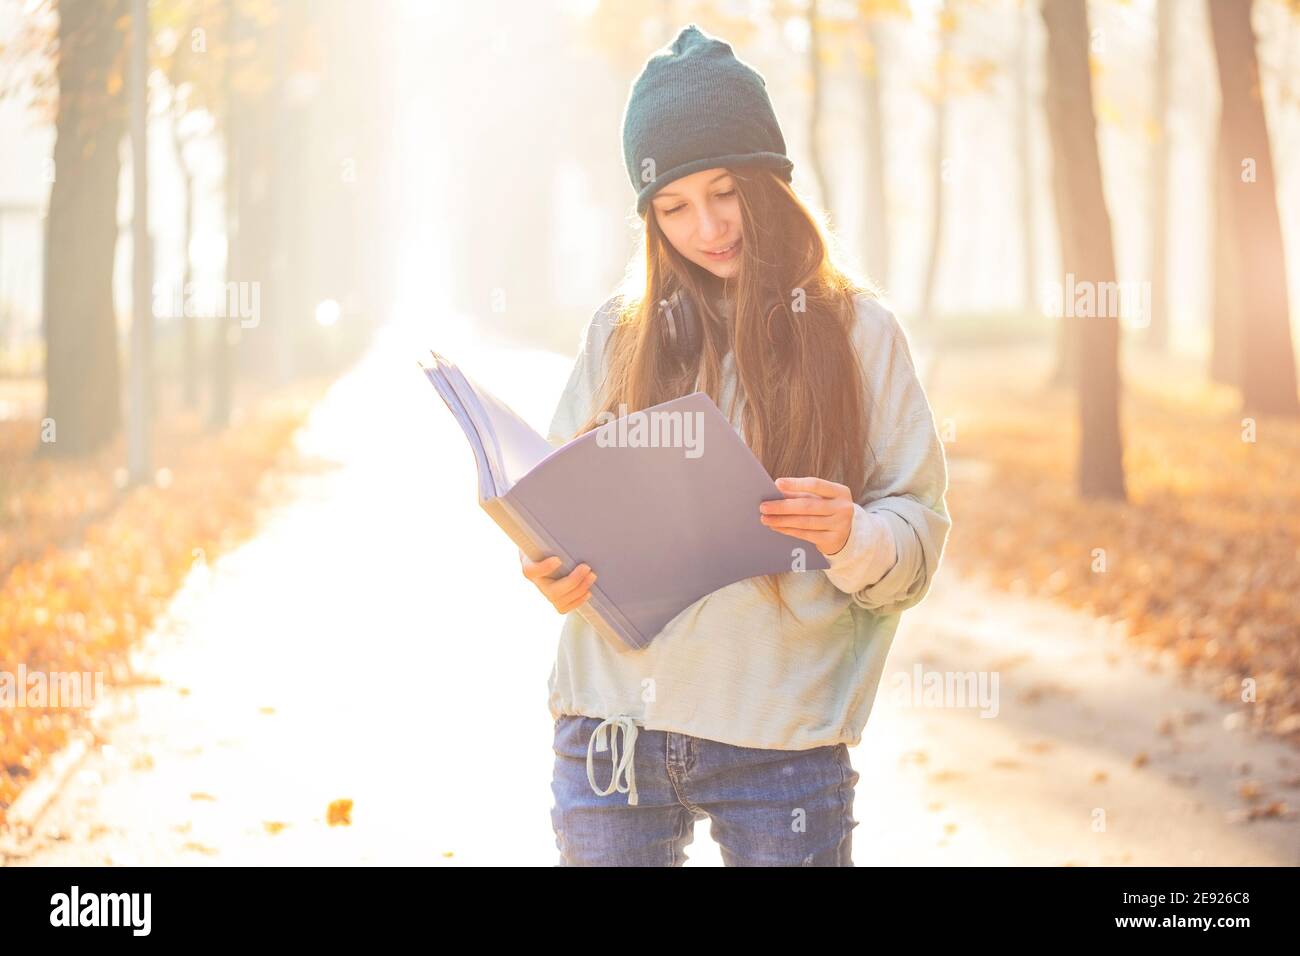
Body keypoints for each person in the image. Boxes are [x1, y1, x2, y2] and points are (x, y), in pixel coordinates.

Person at [522, 23, 952, 866]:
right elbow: (552, 505)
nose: (706, 227)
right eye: (673, 208)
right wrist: (551, 565)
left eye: (725, 192)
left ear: (770, 185)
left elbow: (918, 538)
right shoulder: (620, 333)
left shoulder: (859, 331)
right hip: (611, 734)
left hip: (781, 743)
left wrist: (851, 535)